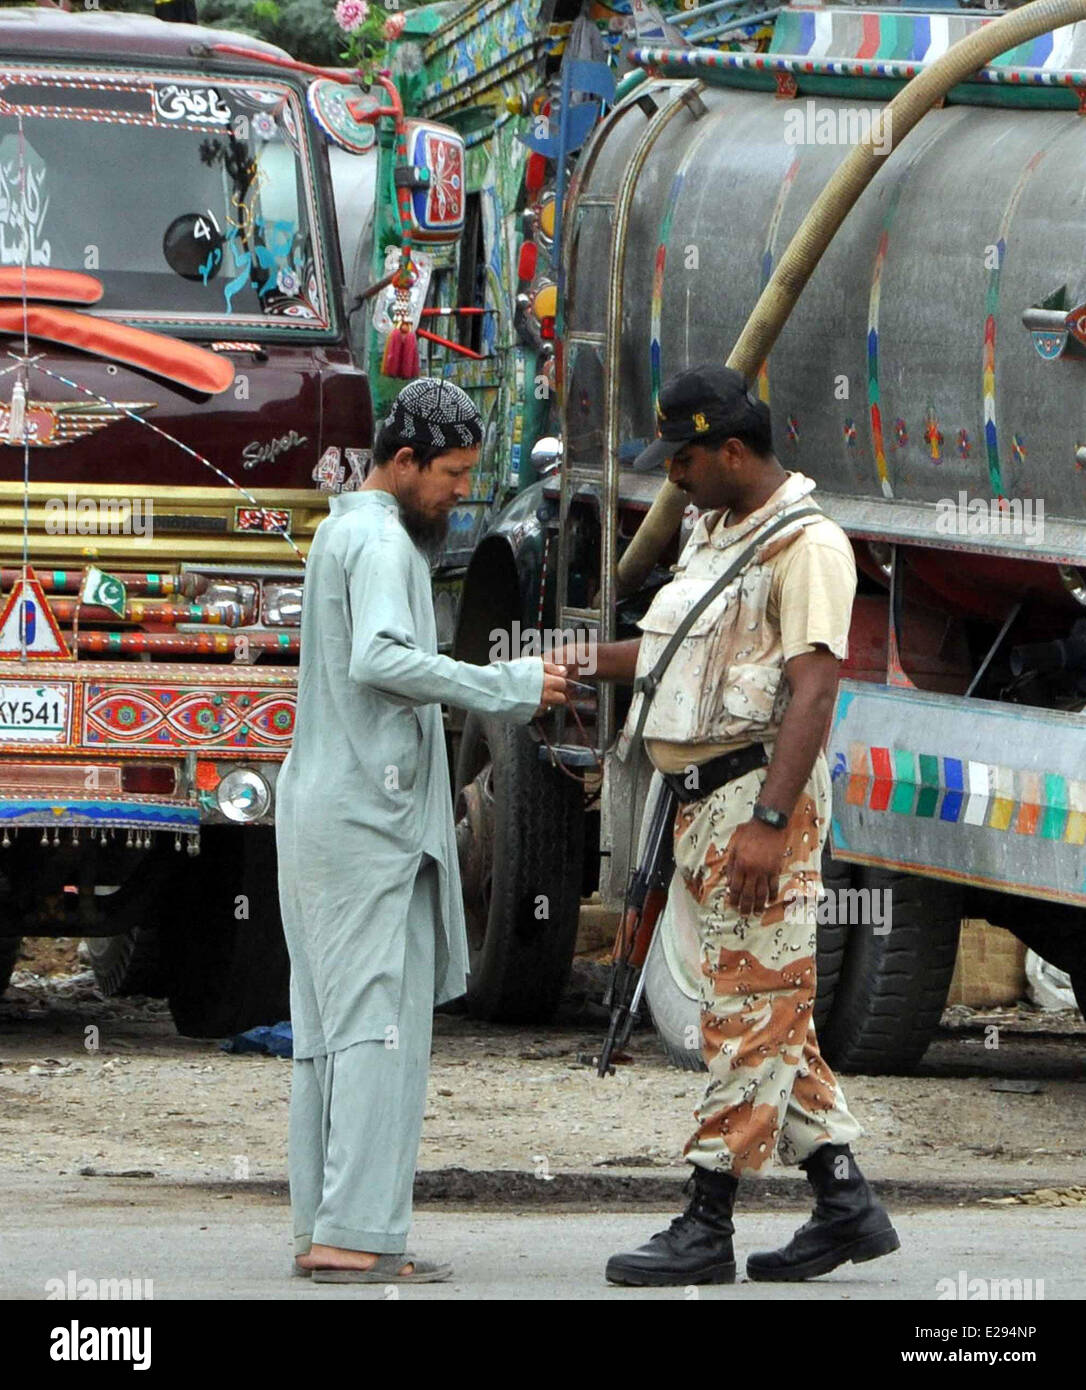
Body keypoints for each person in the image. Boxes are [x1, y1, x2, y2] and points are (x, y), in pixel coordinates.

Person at [568, 364, 899, 1286]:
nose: (671, 474)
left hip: (757, 805)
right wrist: (581, 661)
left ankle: (705, 1222)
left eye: (683, 457)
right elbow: (678, 651)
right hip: (702, 806)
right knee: (766, 1011)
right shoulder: (715, 531)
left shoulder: (809, 546)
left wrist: (767, 821)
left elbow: (814, 688)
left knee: (746, 1018)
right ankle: (844, 1202)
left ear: (734, 451)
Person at [276, 378, 568, 1284]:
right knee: (375, 1026)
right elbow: (380, 659)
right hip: (366, 818)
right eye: (449, 474)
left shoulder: (340, 529)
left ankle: (329, 1225)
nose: (458, 493)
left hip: (326, 808)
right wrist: (507, 687)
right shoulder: (380, 539)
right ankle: (352, 1237)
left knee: (328, 1028)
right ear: (401, 462)